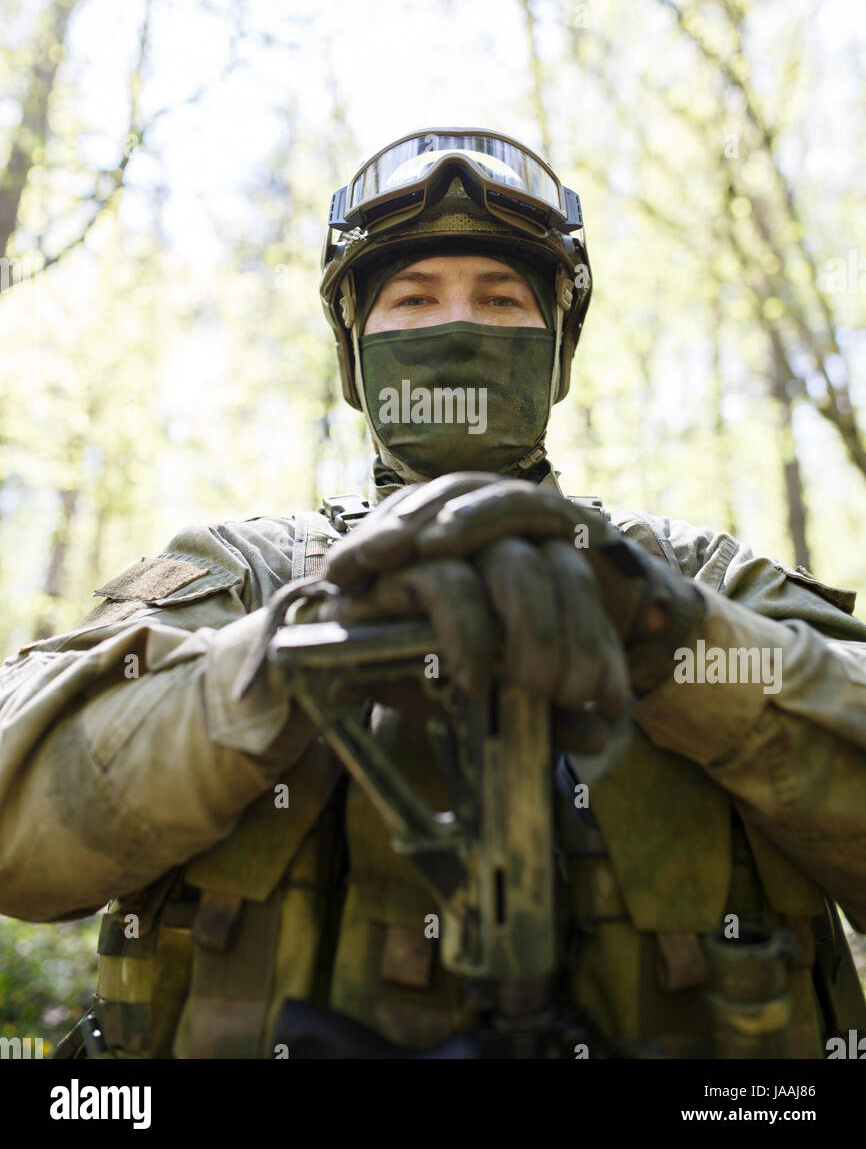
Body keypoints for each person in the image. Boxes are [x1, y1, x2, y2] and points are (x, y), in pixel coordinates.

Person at [1, 128, 864, 1059]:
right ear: (357, 359)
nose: (459, 328)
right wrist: (287, 655)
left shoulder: (705, 576)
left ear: (557, 355)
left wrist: (664, 636)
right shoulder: (239, 572)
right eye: (413, 299)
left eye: (500, 298)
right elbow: (23, 834)